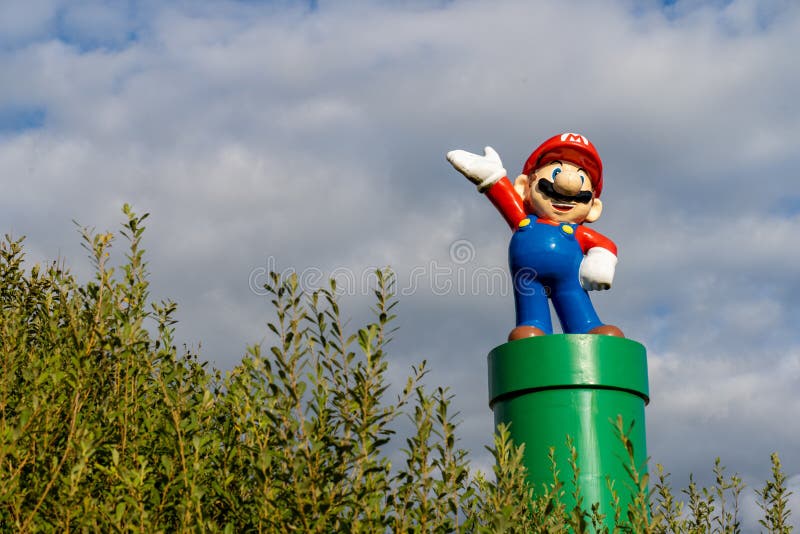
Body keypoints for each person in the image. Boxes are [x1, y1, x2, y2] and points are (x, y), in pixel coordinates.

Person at [446, 132, 624, 340]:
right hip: (528, 278)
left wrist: (600, 260)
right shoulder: (522, 217)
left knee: (573, 298)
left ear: (594, 207)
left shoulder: (578, 233)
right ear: (524, 187)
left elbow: (604, 244)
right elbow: (503, 195)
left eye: (581, 178)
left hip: (569, 279)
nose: (569, 182)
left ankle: (587, 326)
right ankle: (534, 326)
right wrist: (491, 176)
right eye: (556, 170)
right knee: (530, 312)